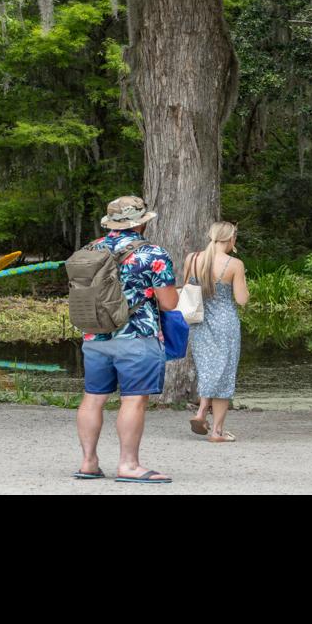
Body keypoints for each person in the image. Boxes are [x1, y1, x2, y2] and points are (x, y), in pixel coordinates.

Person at [73, 195, 180, 484]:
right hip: (137, 336)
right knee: (133, 400)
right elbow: (169, 303)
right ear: (142, 223)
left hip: (94, 336)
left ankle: (88, 462)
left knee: (93, 398)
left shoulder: (89, 249)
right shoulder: (153, 254)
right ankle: (129, 465)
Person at [183, 222, 249, 442]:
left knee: (208, 369)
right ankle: (217, 431)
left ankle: (202, 411)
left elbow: (186, 290)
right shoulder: (234, 264)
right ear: (232, 239)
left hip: (199, 322)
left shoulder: (192, 259)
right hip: (225, 324)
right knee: (225, 373)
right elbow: (242, 300)